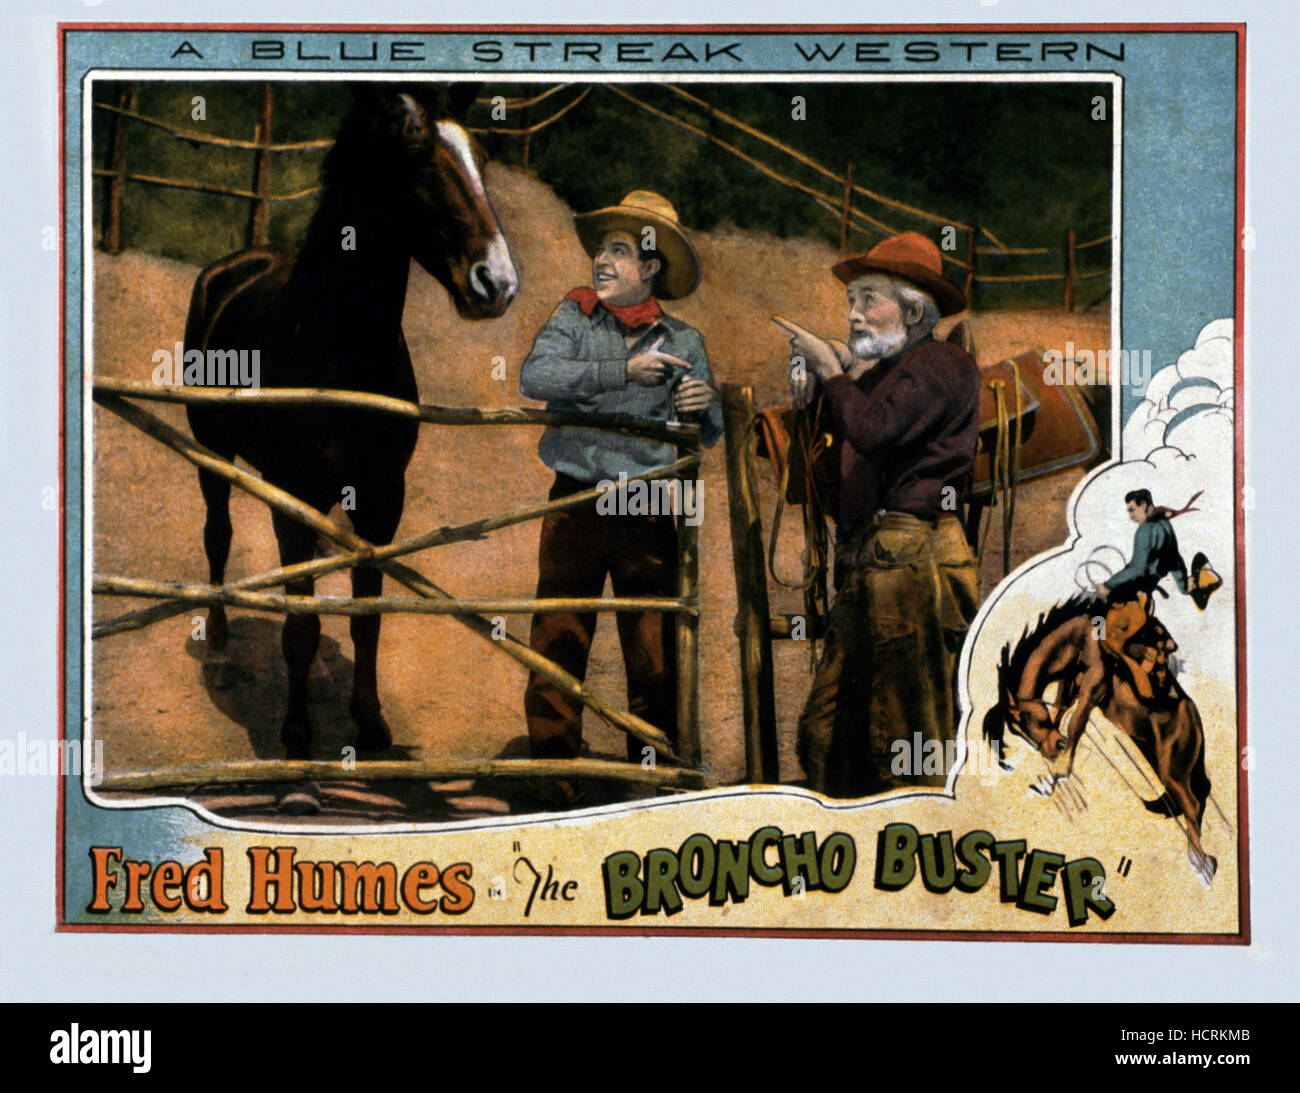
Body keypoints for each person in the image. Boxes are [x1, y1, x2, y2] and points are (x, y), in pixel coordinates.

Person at [519, 191, 723, 780]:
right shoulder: (573, 318)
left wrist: (700, 403)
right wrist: (622, 371)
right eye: (601, 249)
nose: (602, 262)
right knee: (559, 630)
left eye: (619, 251)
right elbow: (535, 376)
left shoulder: (685, 341)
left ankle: (653, 768)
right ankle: (554, 766)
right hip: (577, 498)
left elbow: (708, 431)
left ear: (651, 268)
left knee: (654, 645)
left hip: (650, 505)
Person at [781, 231, 981, 798]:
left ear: (914, 310)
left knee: (902, 730)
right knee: (826, 731)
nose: (853, 314)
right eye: (851, 301)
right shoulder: (904, 369)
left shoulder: (940, 363)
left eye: (869, 299)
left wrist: (832, 372)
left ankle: (914, 855)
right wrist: (845, 375)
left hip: (906, 558)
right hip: (875, 559)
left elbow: (872, 429)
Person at [1095, 488, 1221, 699]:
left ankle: (1099, 657)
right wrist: (1185, 586)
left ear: (1144, 504)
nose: (1131, 515)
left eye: (1132, 509)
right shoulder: (1165, 525)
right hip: (1147, 599)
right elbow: (1176, 559)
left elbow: (1137, 569)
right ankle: (1162, 640)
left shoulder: (1146, 530)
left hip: (1132, 595)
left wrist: (1107, 585)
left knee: (1096, 620)